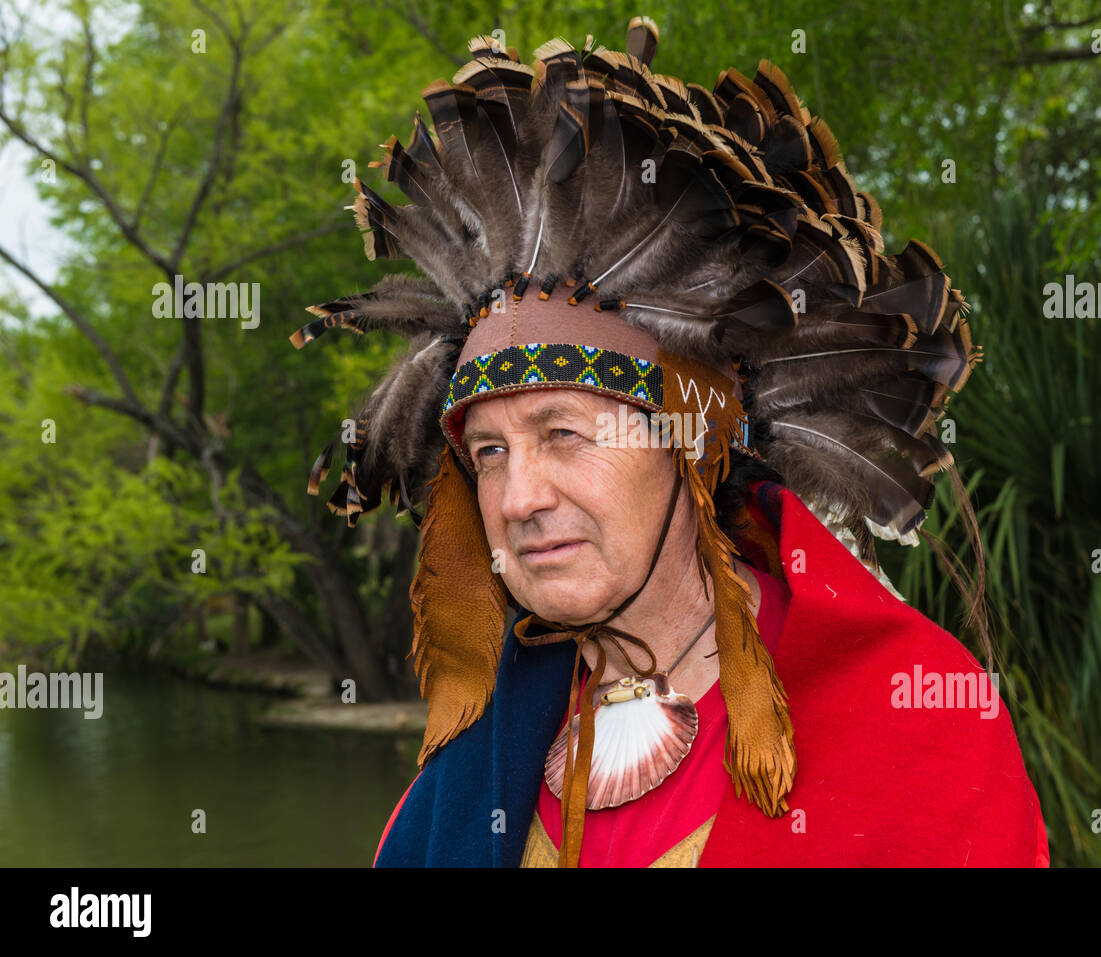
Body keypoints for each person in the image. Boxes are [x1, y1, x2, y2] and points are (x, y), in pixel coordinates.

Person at [292, 17, 1049, 867]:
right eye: (490, 452)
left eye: (564, 434)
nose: (517, 498)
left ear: (688, 446)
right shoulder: (470, 771)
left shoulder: (913, 726)